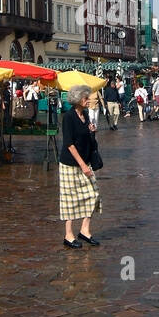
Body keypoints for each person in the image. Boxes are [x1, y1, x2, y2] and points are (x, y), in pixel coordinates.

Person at [58, 84, 101, 249]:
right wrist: (82, 165)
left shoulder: (86, 115)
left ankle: (85, 230)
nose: (89, 100)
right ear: (78, 99)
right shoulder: (68, 117)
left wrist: (92, 132)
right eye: (86, 98)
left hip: (85, 161)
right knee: (70, 199)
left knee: (93, 195)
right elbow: (69, 143)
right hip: (70, 164)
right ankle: (68, 235)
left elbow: (87, 139)